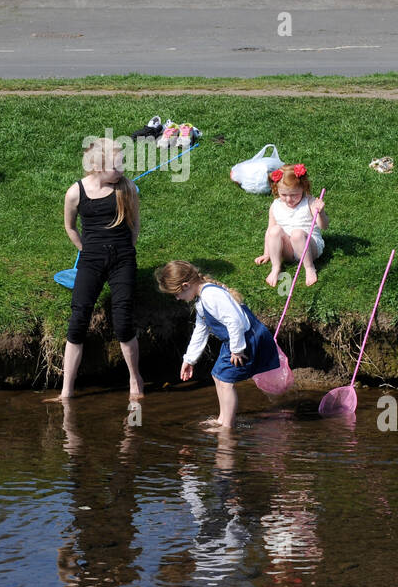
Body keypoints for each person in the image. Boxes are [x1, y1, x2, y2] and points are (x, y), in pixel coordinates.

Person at [52, 137, 143, 400]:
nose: (122, 169)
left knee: (123, 318)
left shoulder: (127, 189)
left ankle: (134, 378)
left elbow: (134, 224)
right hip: (91, 259)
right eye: (116, 166)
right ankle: (66, 389)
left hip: (122, 259)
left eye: (123, 163)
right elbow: (70, 227)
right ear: (96, 167)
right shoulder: (76, 192)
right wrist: (85, 250)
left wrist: (128, 249)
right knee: (79, 317)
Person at [156, 260, 281, 430]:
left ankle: (227, 427)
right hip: (235, 340)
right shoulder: (201, 300)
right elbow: (201, 330)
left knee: (225, 380)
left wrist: (237, 350)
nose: (177, 298)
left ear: (185, 285)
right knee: (218, 376)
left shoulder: (210, 296)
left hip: (245, 341)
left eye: (176, 294)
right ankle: (223, 419)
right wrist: (190, 359)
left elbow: (235, 321)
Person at [255, 163, 327, 287]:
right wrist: (267, 253)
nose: (289, 199)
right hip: (288, 249)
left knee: (297, 234)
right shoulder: (275, 206)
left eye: (294, 195)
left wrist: (321, 213)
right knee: (274, 230)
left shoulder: (309, 202)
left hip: (309, 247)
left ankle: (309, 268)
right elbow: (269, 231)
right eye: (284, 195)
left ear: (303, 188)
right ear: (277, 190)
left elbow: (323, 226)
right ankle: (276, 267)